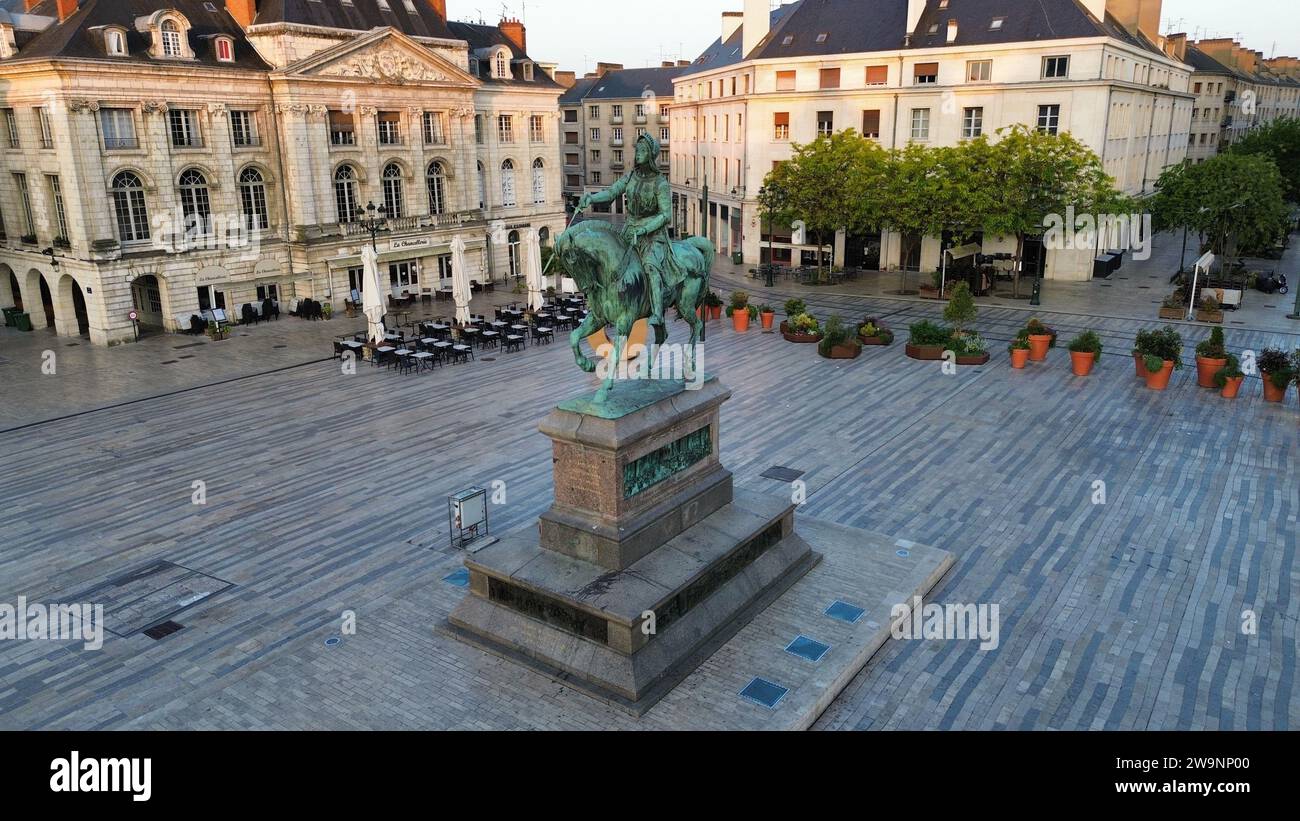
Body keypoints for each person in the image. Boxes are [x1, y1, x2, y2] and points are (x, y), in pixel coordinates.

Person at [576, 132, 677, 338]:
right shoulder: (630, 177)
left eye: (642, 151)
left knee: (651, 267)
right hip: (629, 231)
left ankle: (657, 313)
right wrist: (591, 198)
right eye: (637, 150)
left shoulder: (660, 183)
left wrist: (645, 229)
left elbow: (666, 215)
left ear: (651, 155)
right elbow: (612, 192)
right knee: (610, 261)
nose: (637, 154)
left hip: (652, 235)